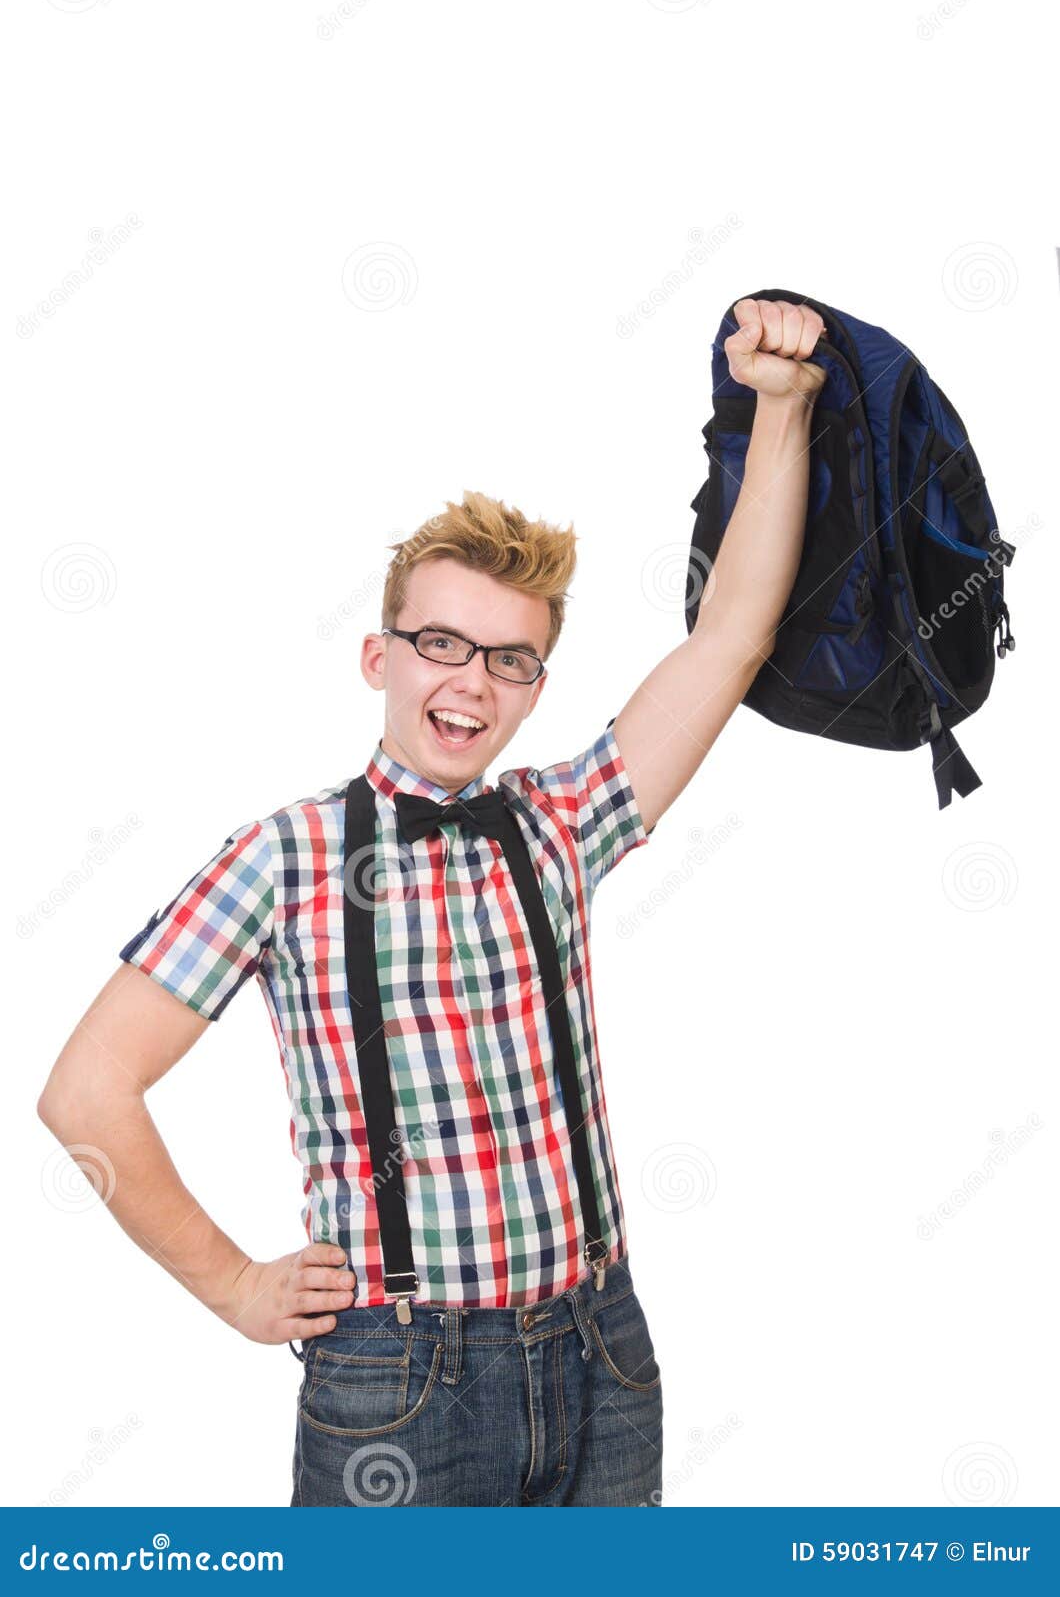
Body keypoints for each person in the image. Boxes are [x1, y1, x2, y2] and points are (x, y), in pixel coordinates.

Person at [37, 297, 827, 1507]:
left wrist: (783, 405)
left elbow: (729, 638)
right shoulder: (286, 855)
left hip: (601, 1350)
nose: (471, 682)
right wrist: (238, 1286)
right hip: (399, 1381)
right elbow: (84, 1092)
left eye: (508, 659)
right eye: (442, 645)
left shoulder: (559, 821)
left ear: (534, 685)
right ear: (381, 656)